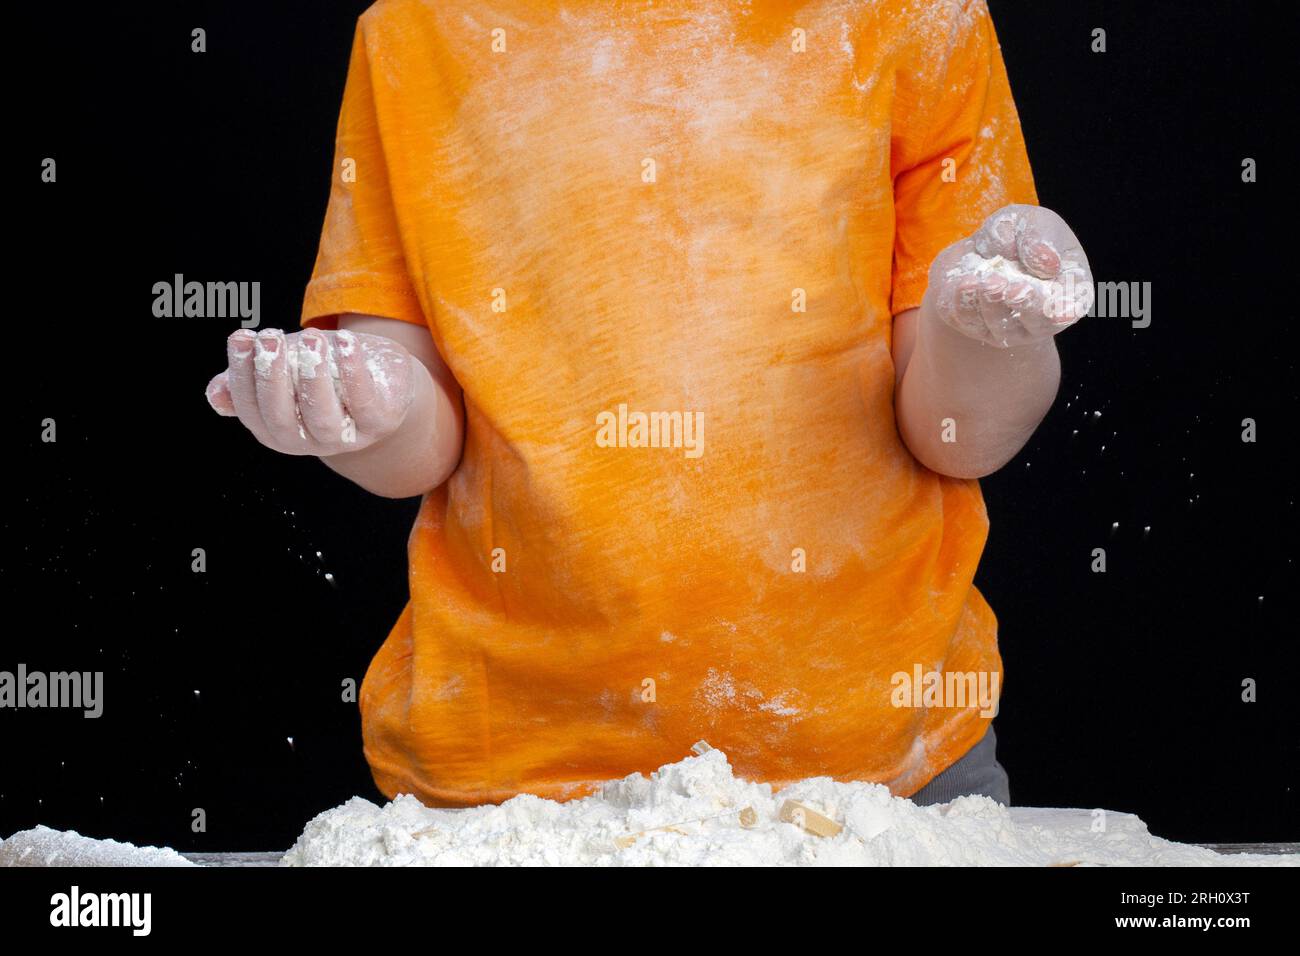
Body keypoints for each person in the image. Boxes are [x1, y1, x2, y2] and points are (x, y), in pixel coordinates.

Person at [205, 0, 1094, 808]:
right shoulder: (417, 30)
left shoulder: (916, 17)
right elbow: (418, 446)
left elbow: (957, 437)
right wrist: (359, 405)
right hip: (502, 782)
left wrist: (983, 330)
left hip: (885, 771)